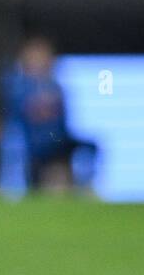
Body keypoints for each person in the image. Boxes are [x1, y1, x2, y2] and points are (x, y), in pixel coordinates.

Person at [5, 38, 97, 191]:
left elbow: (63, 124)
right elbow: (18, 120)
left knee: (89, 147)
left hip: (58, 140)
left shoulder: (55, 86)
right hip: (36, 145)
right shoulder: (19, 86)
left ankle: (83, 186)